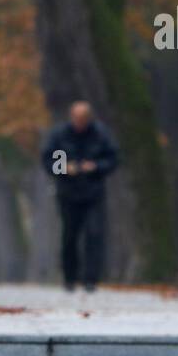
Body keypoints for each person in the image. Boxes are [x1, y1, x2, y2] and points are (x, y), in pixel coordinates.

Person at [40, 101, 119, 292]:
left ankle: (90, 279)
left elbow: (113, 159)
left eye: (83, 118)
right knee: (70, 236)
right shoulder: (60, 135)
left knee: (94, 234)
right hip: (68, 193)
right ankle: (69, 278)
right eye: (76, 118)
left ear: (89, 118)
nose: (79, 122)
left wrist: (95, 167)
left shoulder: (100, 134)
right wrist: (65, 168)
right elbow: (48, 160)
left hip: (93, 192)